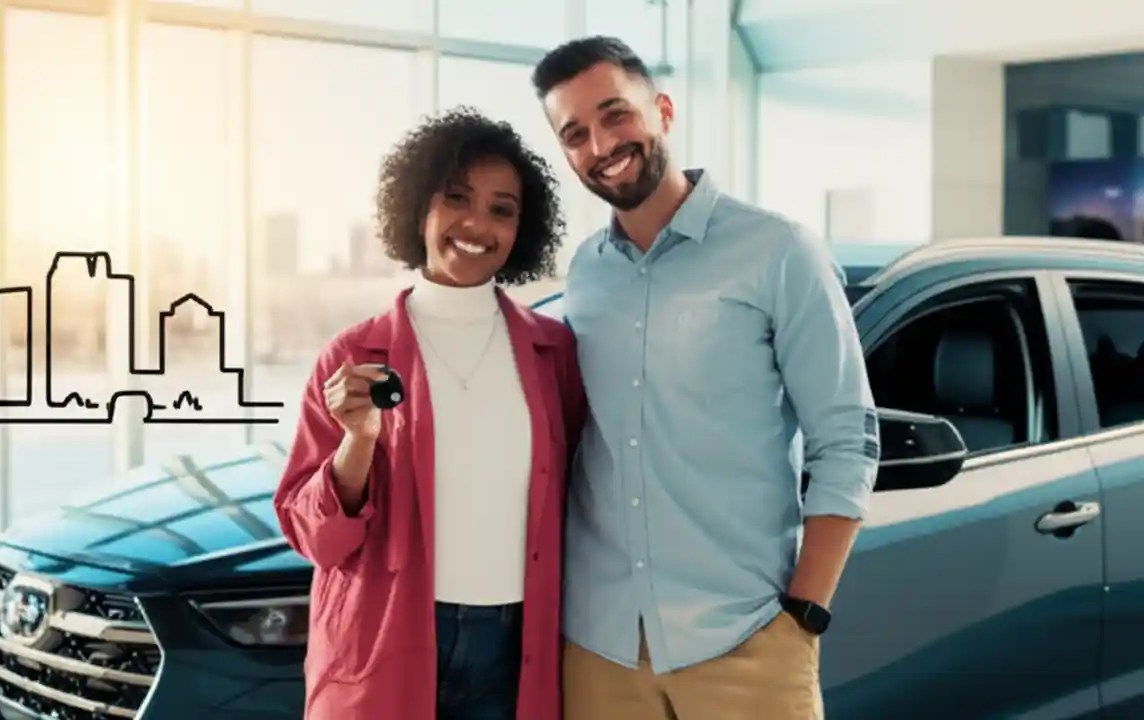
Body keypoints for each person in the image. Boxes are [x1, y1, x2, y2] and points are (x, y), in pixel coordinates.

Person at [530, 36, 880, 719]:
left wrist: (803, 613)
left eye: (615, 115)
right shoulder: (586, 271)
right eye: (575, 133)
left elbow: (846, 438)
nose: (601, 144)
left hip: (744, 643)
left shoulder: (779, 251)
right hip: (599, 650)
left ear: (662, 110)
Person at [273, 106, 586, 720]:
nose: (477, 224)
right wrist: (357, 442)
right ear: (419, 207)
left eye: (503, 209)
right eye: (457, 198)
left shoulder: (554, 354)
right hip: (386, 639)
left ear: (522, 230)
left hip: (515, 646)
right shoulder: (353, 355)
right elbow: (316, 538)